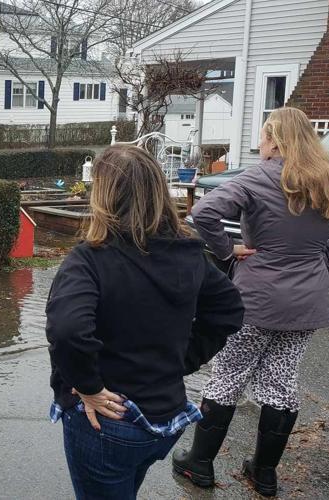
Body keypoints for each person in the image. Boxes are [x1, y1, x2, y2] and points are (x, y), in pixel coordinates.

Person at [173, 107, 329, 497]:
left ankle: (199, 464)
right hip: (307, 299)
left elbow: (203, 212)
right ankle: (264, 474)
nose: (261, 144)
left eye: (264, 137)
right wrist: (326, 254)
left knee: (230, 376)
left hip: (257, 296)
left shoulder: (259, 176)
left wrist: (228, 251)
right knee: (281, 381)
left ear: (276, 139)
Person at [47, 145, 245, 500]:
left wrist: (88, 387)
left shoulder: (89, 260)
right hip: (164, 420)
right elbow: (229, 309)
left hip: (109, 422)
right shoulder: (188, 253)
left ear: (103, 195)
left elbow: (67, 330)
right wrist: (180, 361)